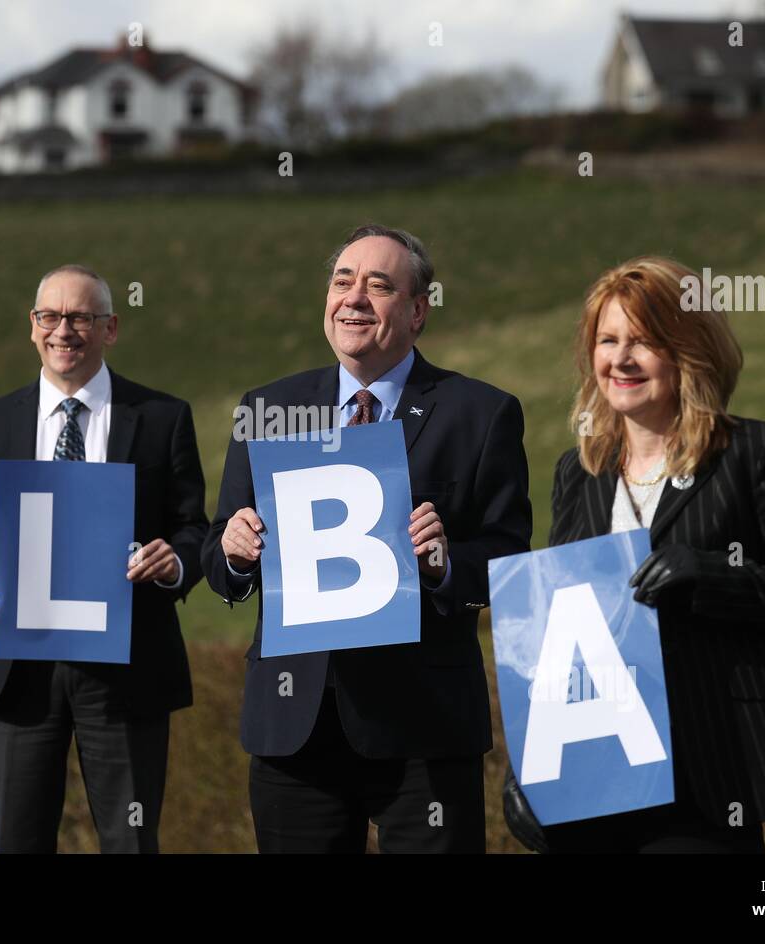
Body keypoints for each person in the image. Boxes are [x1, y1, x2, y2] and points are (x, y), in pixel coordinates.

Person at [504, 255, 765, 854]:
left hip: (706, 775)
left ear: (688, 349)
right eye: (607, 340)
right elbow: (561, 631)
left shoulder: (752, 452)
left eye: (643, 341)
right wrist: (531, 769)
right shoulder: (577, 472)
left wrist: (713, 574)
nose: (621, 359)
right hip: (591, 775)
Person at [203, 224, 531, 853]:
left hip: (424, 728)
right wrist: (233, 552)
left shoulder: (480, 413)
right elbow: (219, 561)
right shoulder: (268, 408)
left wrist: (442, 565)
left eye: (378, 286)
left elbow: (510, 561)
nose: (352, 298)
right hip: (295, 729)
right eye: (341, 281)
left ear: (417, 311)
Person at [0, 264, 209, 853]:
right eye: (50, 317)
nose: (63, 331)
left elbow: (194, 529)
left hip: (128, 664)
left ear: (110, 328)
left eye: (80, 318)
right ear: (32, 326)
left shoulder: (164, 418)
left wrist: (174, 561)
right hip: (19, 666)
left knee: (131, 842)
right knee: (19, 841)